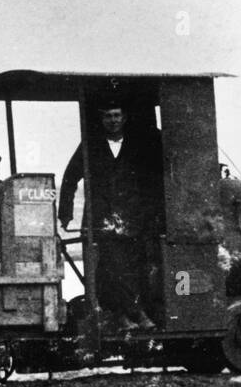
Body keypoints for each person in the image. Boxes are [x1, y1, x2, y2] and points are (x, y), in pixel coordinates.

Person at [58, 99, 164, 330]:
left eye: (116, 115)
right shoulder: (90, 145)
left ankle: (121, 315)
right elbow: (69, 177)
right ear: (101, 119)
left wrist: (150, 213)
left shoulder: (137, 145)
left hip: (133, 219)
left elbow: (151, 181)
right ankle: (137, 314)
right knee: (114, 264)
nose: (113, 120)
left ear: (124, 118)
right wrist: (65, 213)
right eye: (108, 116)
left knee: (126, 268)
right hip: (101, 219)